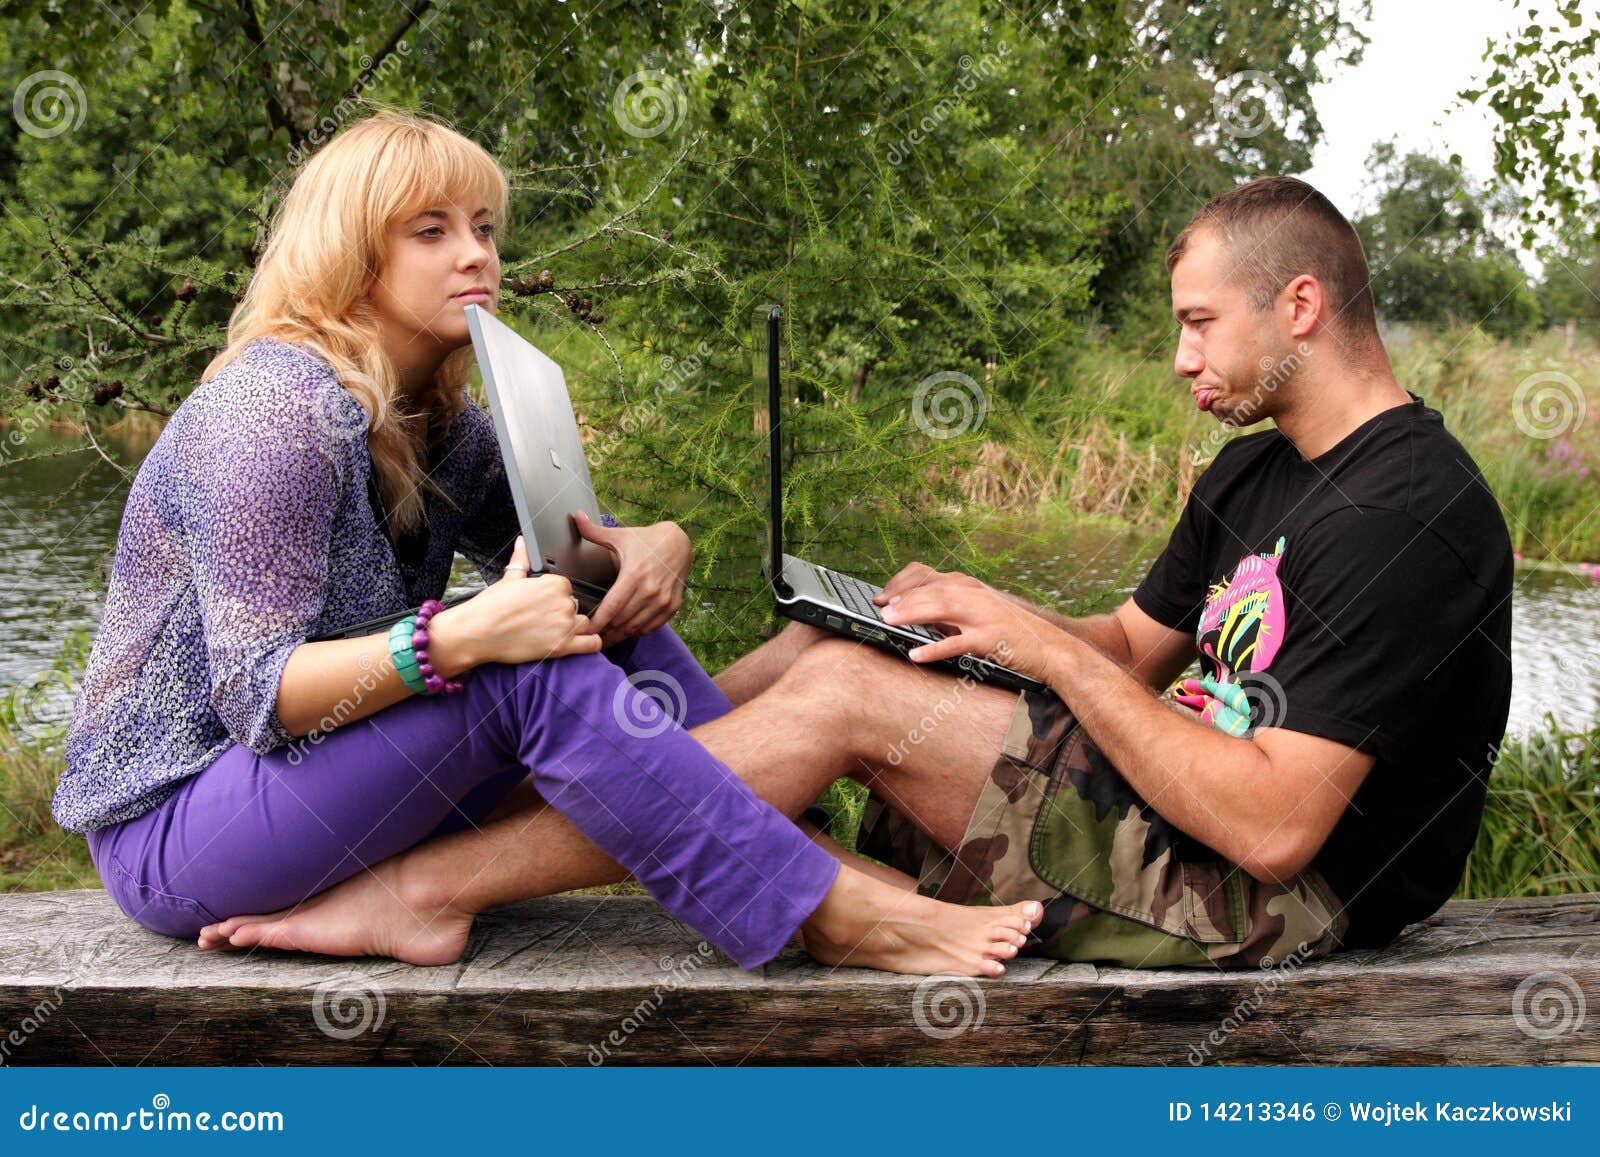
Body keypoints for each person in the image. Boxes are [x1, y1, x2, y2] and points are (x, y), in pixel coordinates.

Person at [204, 174, 1511, 971]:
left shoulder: (1418, 511)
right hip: (1162, 812)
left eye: (1196, 323)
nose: (1179, 359)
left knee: (845, 706)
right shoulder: (1256, 473)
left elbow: (1276, 827)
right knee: (828, 654)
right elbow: (1126, 646)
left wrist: (1047, 655)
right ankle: (673, 811)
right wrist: (987, 616)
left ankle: (426, 888)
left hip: (1276, 901)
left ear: (1300, 306)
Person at [53, 109, 1042, 977]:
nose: (478, 253)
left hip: (321, 791)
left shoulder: (447, 424)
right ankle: (825, 907)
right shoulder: (272, 410)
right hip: (178, 828)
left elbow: (581, 575)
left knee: (590, 614)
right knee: (527, 662)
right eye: (431, 231)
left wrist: (655, 544)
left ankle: (795, 854)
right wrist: (458, 637)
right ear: (351, 255)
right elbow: (256, 698)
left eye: (483, 228)